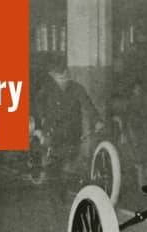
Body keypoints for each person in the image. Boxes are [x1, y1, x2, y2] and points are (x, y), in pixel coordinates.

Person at [30, 56, 104, 184]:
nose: (64, 81)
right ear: (53, 76)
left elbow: (88, 105)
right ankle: (51, 184)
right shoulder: (47, 89)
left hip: (71, 132)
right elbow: (37, 104)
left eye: (66, 77)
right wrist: (40, 122)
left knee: (63, 164)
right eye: (60, 79)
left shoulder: (77, 88)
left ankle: (59, 185)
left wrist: (97, 120)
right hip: (52, 132)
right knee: (53, 166)